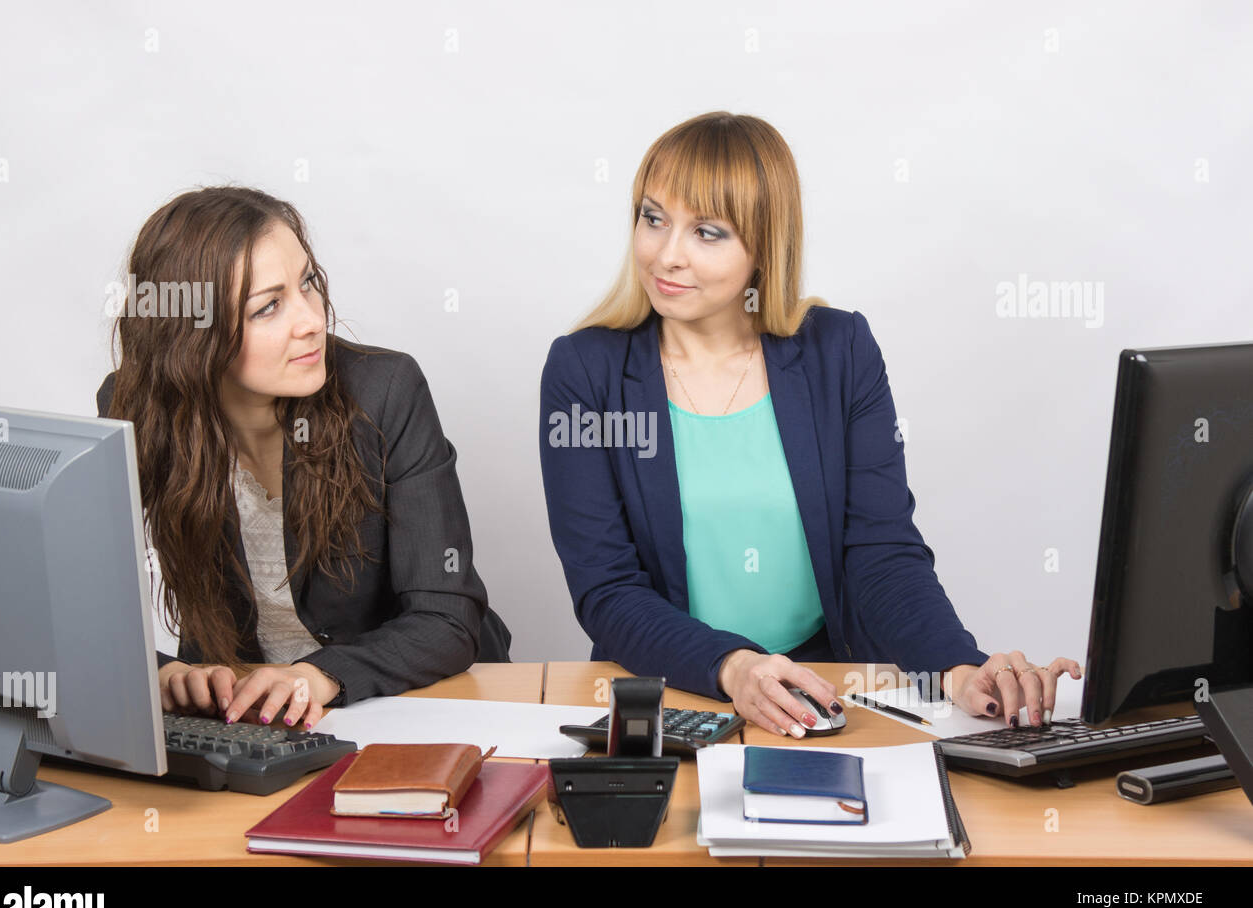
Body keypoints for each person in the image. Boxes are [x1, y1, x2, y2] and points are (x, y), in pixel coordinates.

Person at [538, 111, 1080, 738]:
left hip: (822, 692)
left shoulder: (839, 351)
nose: (667, 253)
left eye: (707, 232)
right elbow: (608, 591)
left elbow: (880, 552)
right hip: (677, 692)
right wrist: (735, 668)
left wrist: (956, 668)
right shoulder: (585, 370)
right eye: (653, 217)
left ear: (764, 245)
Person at [97, 186, 509, 730]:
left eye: (307, 283)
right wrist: (163, 672)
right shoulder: (132, 409)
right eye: (268, 306)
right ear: (190, 336)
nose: (312, 319)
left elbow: (446, 616)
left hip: (410, 701)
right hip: (252, 718)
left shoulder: (385, 391)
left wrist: (319, 676)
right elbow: (85, 603)